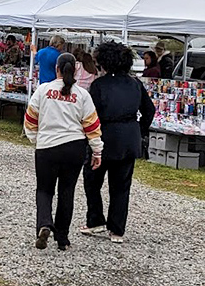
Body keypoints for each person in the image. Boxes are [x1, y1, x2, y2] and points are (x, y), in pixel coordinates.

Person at [24, 52, 103, 251]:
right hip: (74, 148)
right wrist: (97, 151)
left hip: (47, 147)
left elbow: (31, 119)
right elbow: (92, 125)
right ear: (75, 69)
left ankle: (44, 223)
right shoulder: (83, 95)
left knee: (44, 190)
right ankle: (63, 239)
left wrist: (36, 138)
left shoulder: (43, 90)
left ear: (56, 68)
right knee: (66, 192)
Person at [81, 41, 155, 244]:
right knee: (121, 186)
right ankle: (117, 229)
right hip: (129, 136)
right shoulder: (135, 84)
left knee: (92, 179)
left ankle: (95, 219)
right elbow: (149, 110)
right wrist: (139, 130)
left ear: (104, 62)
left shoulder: (99, 85)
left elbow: (90, 115)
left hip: (104, 135)